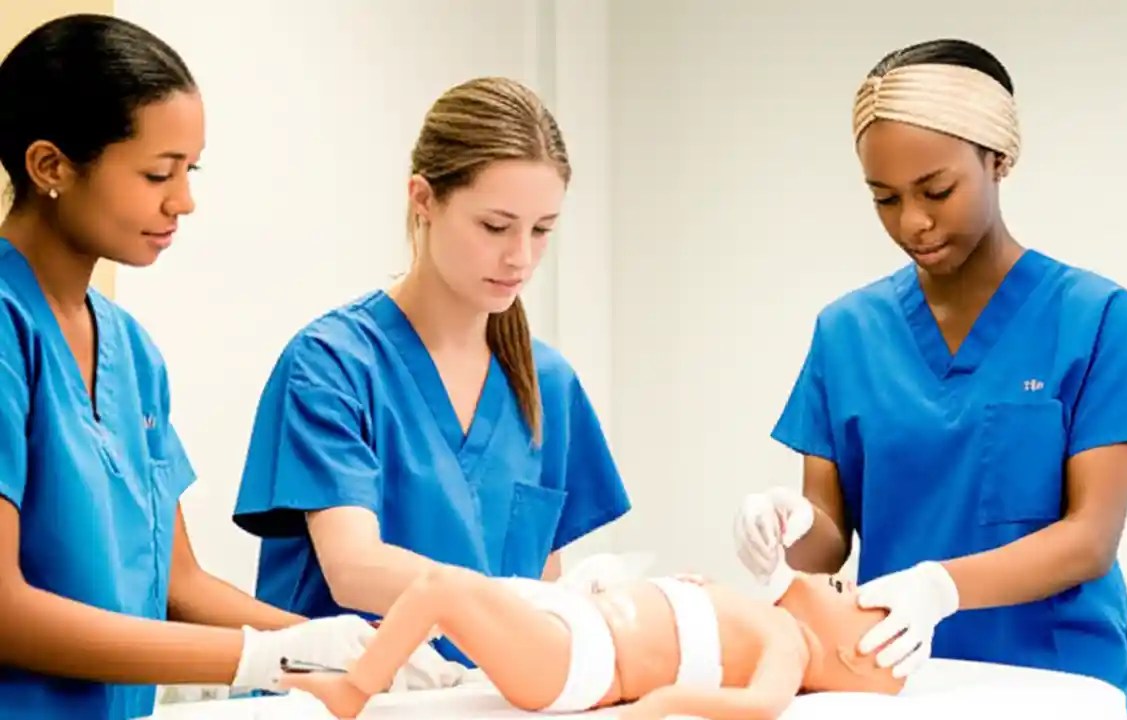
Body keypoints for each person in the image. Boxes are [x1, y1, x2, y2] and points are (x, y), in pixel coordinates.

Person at [0, 14, 452, 720]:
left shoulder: (133, 354)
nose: (183, 202)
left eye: (189, 170)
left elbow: (177, 582)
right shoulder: (6, 331)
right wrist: (256, 657)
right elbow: (5, 611)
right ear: (50, 167)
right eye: (157, 174)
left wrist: (340, 643)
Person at [732, 38, 1127, 720]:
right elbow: (829, 540)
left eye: (937, 190)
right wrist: (784, 527)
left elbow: (1091, 538)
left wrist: (942, 585)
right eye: (884, 199)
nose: (913, 222)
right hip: (897, 684)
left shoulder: (1095, 320)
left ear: (999, 159)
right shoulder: (847, 331)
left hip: (1060, 684)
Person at [231, 77, 632, 667]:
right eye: (495, 227)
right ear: (423, 199)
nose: (521, 256)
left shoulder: (548, 384)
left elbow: (544, 577)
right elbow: (355, 570)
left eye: (542, 229)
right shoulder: (334, 364)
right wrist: (519, 606)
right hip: (350, 699)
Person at [276, 555, 905, 720]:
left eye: (847, 593)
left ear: (855, 652)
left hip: (583, 661)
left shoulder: (790, 647)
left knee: (443, 589)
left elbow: (760, 706)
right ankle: (373, 662)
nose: (835, 580)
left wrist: (664, 704)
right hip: (576, 624)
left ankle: (357, 689)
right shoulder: (765, 616)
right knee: (452, 601)